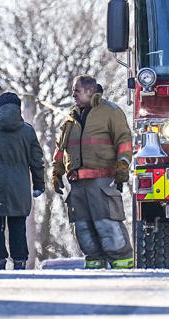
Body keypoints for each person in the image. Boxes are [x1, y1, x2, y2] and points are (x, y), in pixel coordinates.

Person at [52, 75, 134, 269]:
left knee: (107, 224)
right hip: (78, 185)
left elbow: (124, 140)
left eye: (76, 90)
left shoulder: (110, 112)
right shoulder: (70, 120)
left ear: (90, 91)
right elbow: (61, 149)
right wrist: (57, 172)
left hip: (102, 182)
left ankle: (122, 264)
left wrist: (123, 164)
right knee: (83, 228)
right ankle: (95, 264)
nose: (73, 95)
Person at [0, 92, 44, 270]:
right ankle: (20, 260)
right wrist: (38, 184)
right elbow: (36, 161)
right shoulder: (27, 131)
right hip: (18, 186)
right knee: (17, 225)